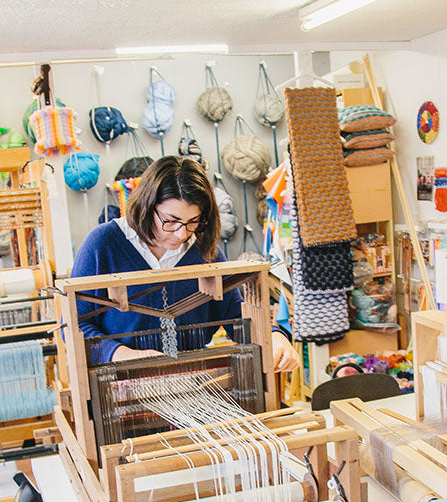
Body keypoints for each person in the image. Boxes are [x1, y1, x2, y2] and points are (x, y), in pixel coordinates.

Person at [71, 155, 300, 372]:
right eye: (171, 221)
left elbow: (235, 315)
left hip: (191, 382)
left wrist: (274, 336)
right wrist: (119, 354)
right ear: (147, 206)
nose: (182, 234)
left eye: (193, 222)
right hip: (118, 384)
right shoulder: (103, 244)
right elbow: (75, 326)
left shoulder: (203, 251)